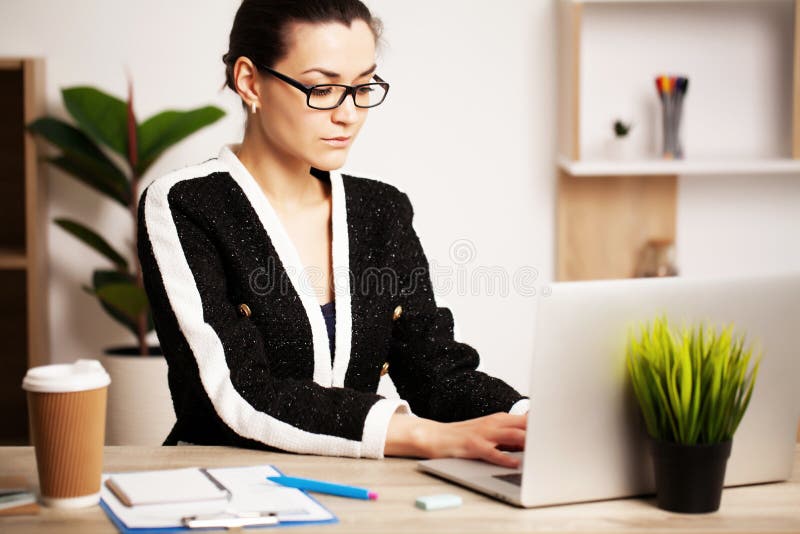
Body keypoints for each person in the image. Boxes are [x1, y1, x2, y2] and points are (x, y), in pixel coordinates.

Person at [137, 0, 529, 468]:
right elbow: (235, 394)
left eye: (362, 87)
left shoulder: (380, 209)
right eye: (322, 89)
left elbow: (437, 371)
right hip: (224, 485)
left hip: (356, 489)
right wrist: (423, 436)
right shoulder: (186, 203)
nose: (349, 115)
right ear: (250, 81)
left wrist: (531, 421)